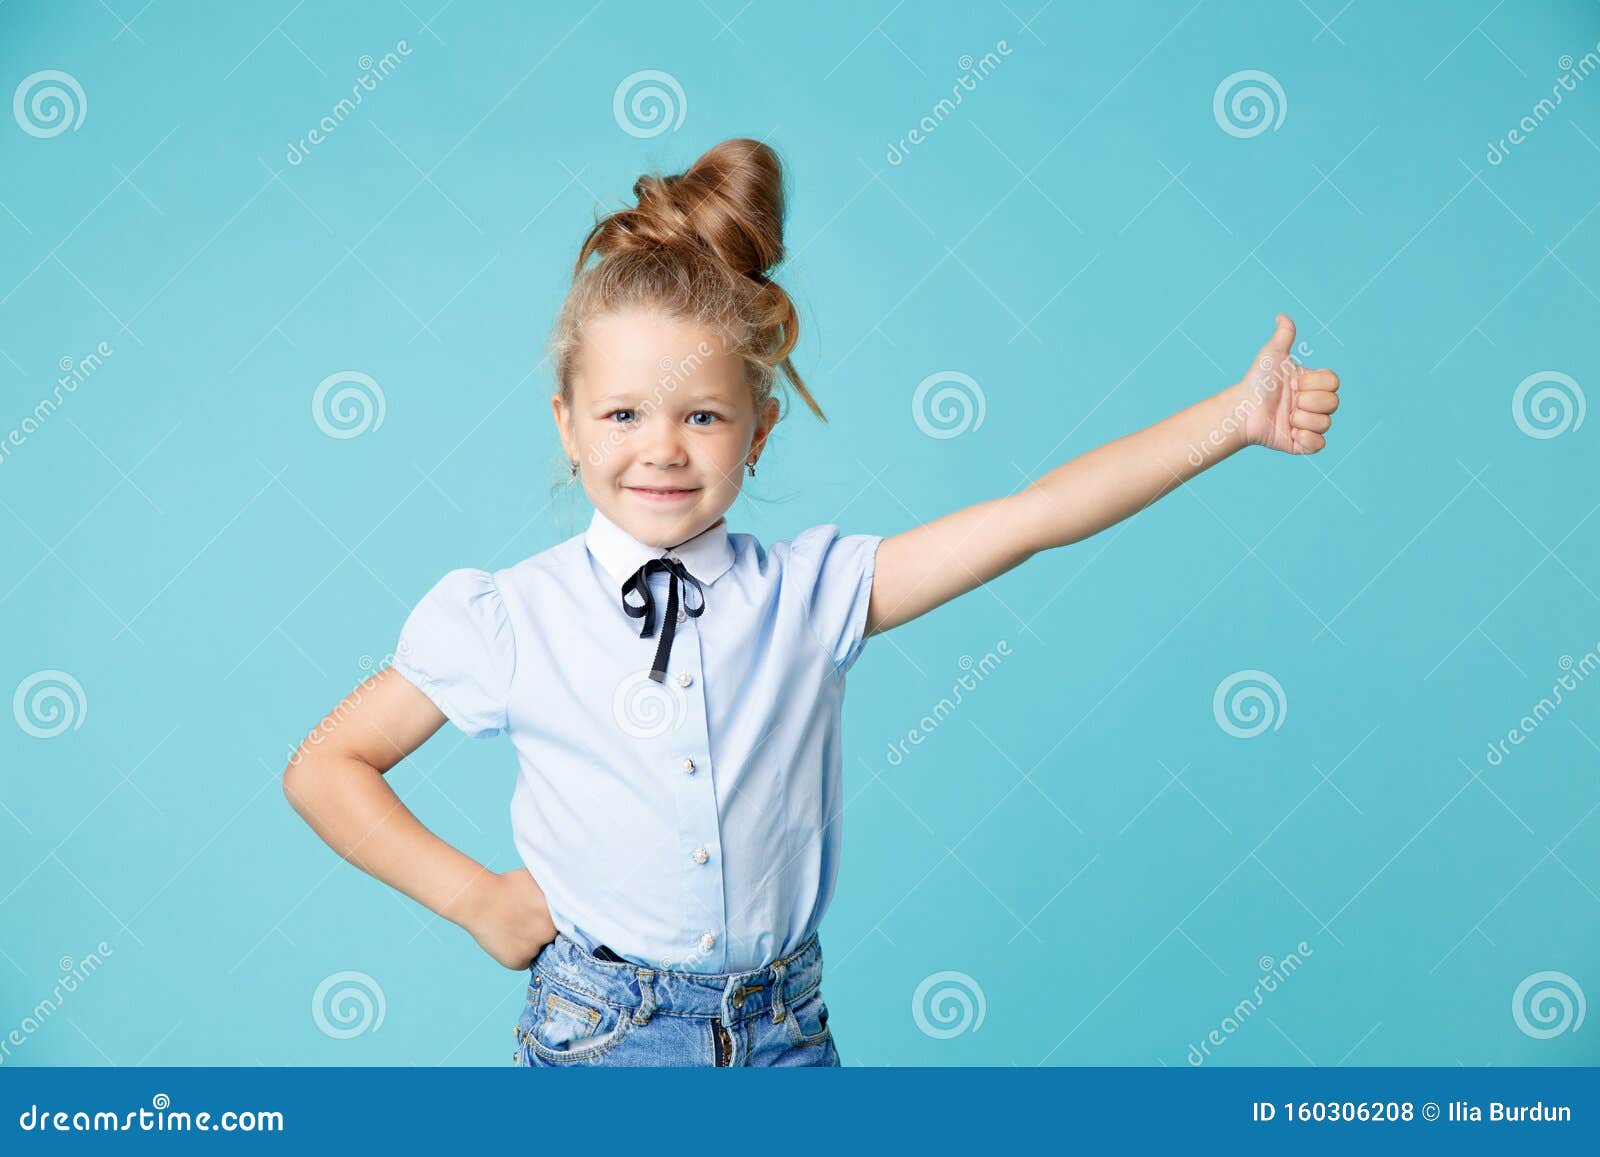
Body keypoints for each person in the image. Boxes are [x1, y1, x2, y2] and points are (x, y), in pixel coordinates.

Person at [281, 137, 1342, 1068]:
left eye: (701, 414)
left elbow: (1032, 514)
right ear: (566, 423)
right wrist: (476, 896)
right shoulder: (509, 616)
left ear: (761, 428)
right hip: (604, 1036)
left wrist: (1230, 418)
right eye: (620, 413)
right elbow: (326, 764)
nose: (659, 447)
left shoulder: (812, 591)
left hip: (785, 1031)